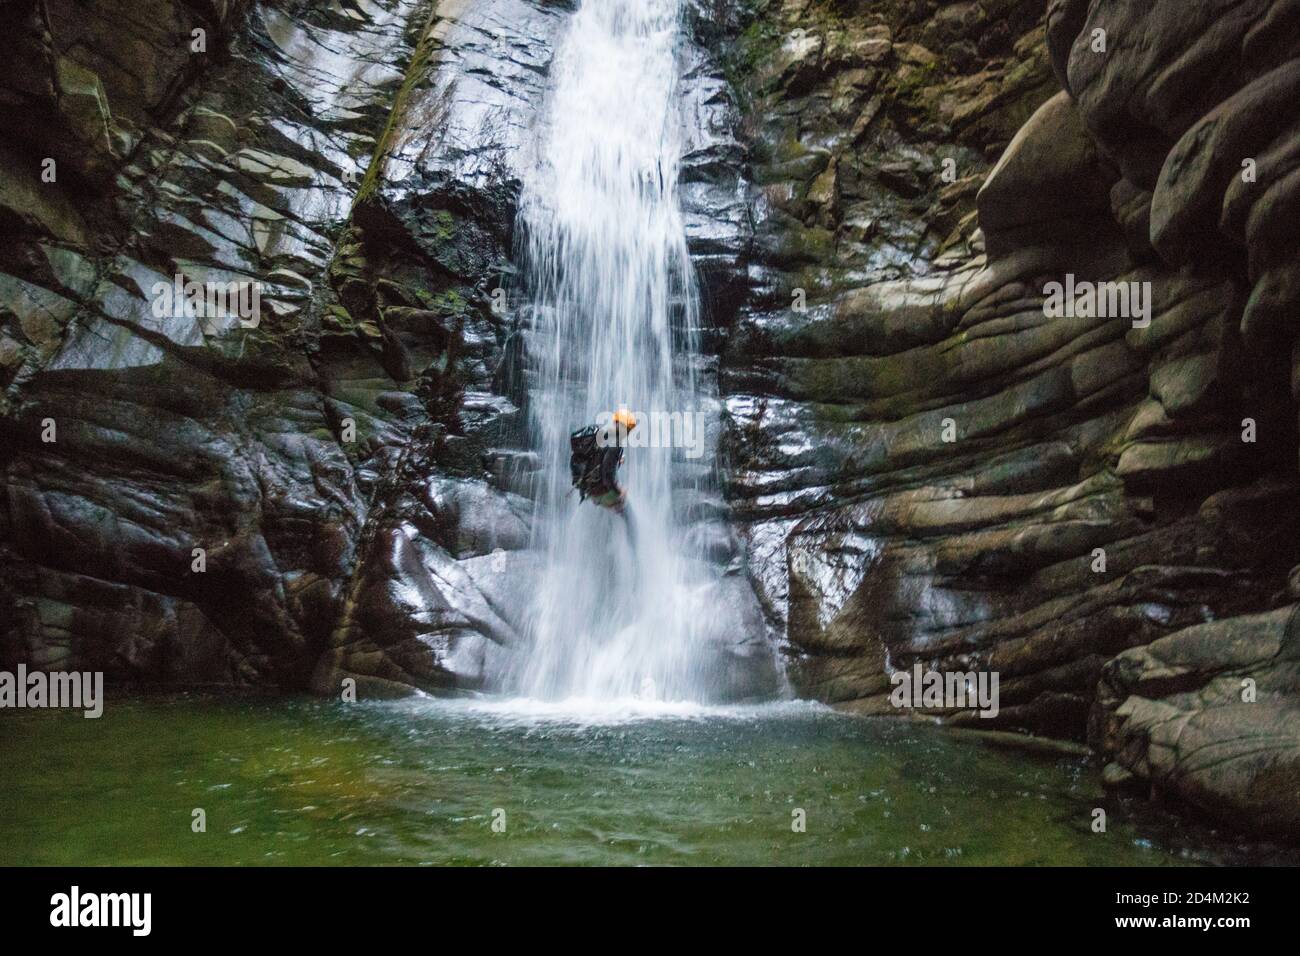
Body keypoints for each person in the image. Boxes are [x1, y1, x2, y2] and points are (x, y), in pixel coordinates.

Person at [570, 409, 638, 545]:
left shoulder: (602, 434)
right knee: (630, 517)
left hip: (589, 489)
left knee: (613, 512)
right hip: (601, 491)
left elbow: (596, 462)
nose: (629, 432)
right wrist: (620, 492)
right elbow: (607, 476)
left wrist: (617, 461)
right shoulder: (616, 443)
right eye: (629, 429)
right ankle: (635, 556)